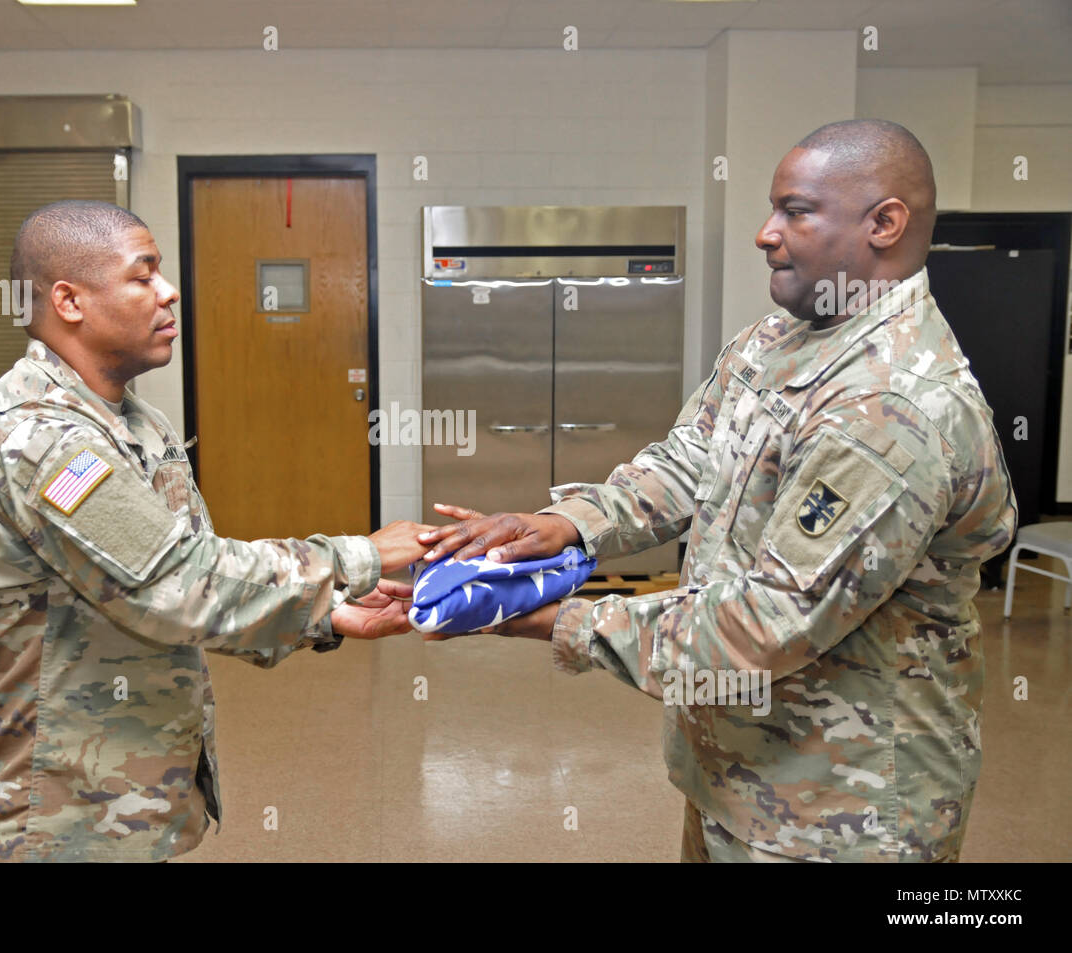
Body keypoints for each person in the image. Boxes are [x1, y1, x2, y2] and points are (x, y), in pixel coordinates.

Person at [417, 120, 1017, 863]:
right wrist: (564, 525)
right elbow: (687, 461)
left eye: (795, 211)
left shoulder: (892, 408)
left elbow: (763, 625)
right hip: (737, 775)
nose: (765, 234)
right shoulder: (778, 340)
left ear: (884, 224)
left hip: (840, 814)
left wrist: (550, 618)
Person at [0, 200, 430, 862]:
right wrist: (357, 557)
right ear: (69, 301)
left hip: (116, 807)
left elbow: (189, 593)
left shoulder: (137, 424)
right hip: (39, 820)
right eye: (143, 274)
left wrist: (326, 614)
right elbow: (180, 583)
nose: (168, 293)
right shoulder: (34, 436)